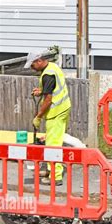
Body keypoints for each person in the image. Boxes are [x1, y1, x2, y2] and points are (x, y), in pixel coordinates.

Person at [25, 52, 71, 186]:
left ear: (39, 61)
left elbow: (49, 99)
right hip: (62, 108)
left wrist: (38, 116)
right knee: (52, 140)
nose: (32, 68)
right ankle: (50, 170)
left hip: (56, 112)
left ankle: (55, 176)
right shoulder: (52, 67)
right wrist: (42, 91)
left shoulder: (47, 75)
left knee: (53, 144)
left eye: (33, 65)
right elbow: (52, 89)